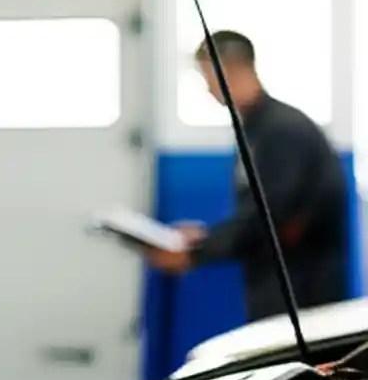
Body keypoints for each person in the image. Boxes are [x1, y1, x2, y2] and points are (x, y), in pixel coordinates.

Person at [146, 30, 348, 322]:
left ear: (231, 70)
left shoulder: (282, 131)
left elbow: (271, 217)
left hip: (302, 294)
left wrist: (199, 251)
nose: (208, 89)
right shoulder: (255, 129)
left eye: (208, 77)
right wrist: (204, 238)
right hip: (275, 287)